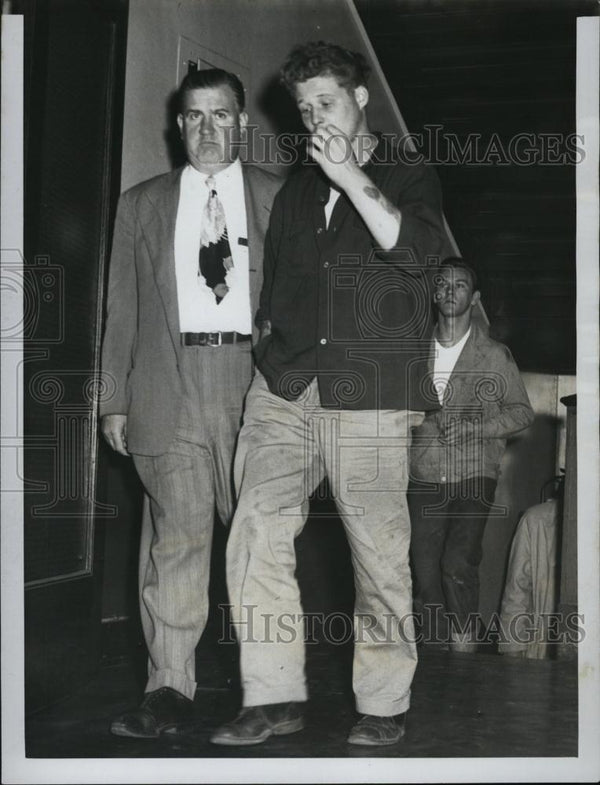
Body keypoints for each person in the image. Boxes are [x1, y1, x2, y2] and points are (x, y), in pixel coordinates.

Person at [210, 41, 452, 748]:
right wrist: (266, 352)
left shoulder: (408, 172)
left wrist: (351, 177)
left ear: (362, 100)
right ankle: (274, 693)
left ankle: (383, 701)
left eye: (328, 101)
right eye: (305, 106)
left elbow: (416, 256)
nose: (315, 117)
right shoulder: (293, 191)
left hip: (370, 393)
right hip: (284, 386)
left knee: (377, 551)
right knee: (254, 530)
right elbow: (279, 286)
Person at [99, 68, 282, 738]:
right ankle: (170, 685)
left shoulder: (277, 197)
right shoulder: (141, 202)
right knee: (176, 540)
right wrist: (114, 397)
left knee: (260, 543)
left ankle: (268, 691)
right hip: (168, 378)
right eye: (194, 116)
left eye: (220, 115)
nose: (207, 129)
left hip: (255, 382)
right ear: (179, 127)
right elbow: (123, 308)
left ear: (241, 123)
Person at [408, 257, 534, 652]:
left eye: (459, 285)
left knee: (458, 562)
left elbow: (522, 413)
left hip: (473, 469)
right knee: (424, 571)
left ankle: (463, 652)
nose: (449, 291)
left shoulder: (495, 355)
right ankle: (431, 651)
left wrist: (476, 427)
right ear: (434, 294)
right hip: (423, 470)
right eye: (442, 284)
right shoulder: (413, 350)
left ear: (473, 297)